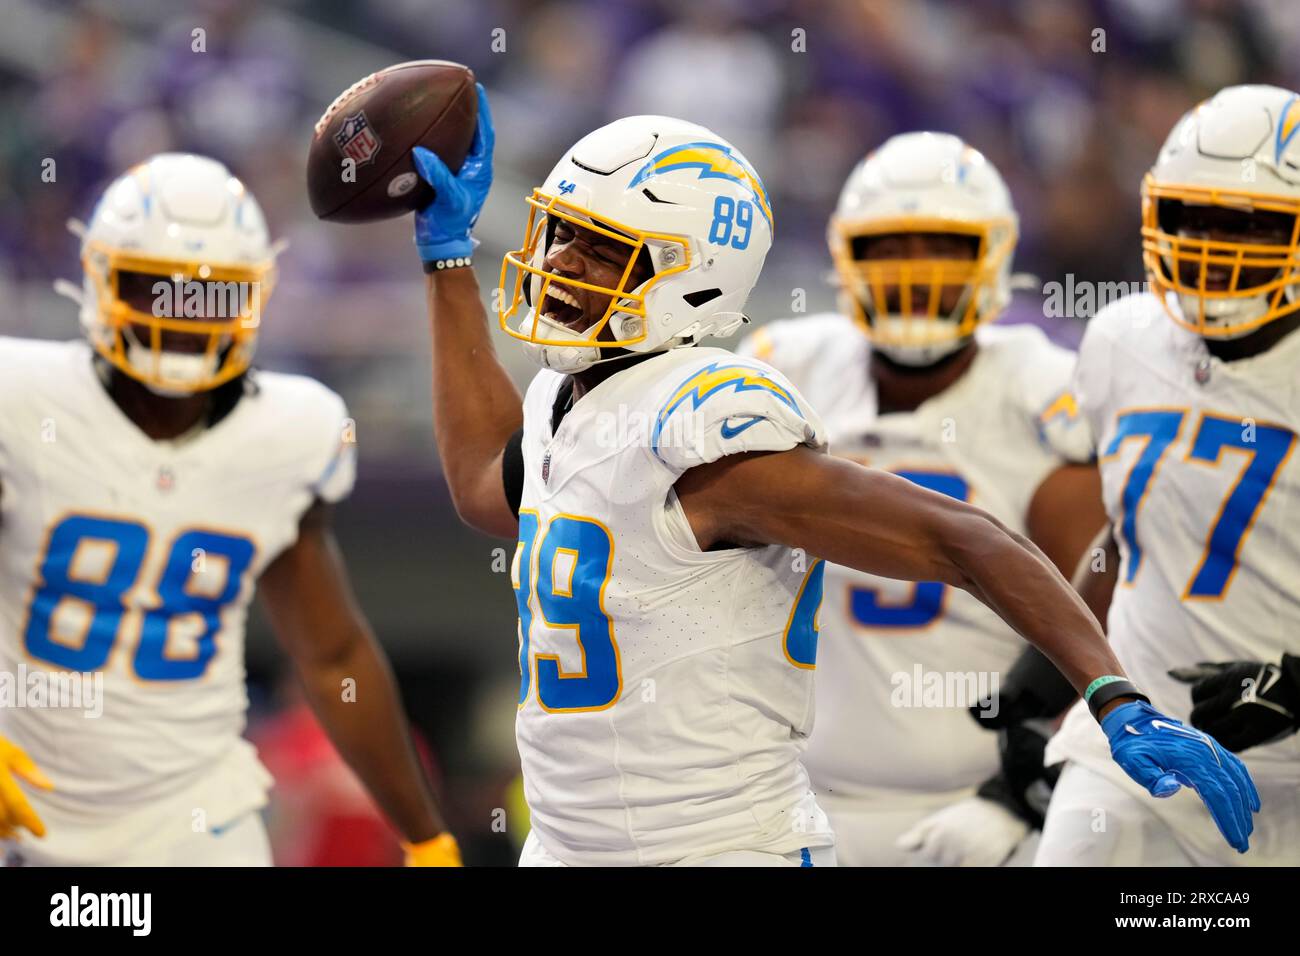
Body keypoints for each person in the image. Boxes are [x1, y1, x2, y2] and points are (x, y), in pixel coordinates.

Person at [405, 86, 1257, 866]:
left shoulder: (704, 423)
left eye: (601, 249)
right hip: (565, 846)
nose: (561, 261)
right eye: (560, 232)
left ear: (691, 280)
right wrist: (447, 258)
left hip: (718, 847)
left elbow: (961, 537)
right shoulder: (571, 394)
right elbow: (486, 481)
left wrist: (1112, 697)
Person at [0, 153, 458, 866]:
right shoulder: (22, 399)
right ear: (99, 277)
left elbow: (331, 651)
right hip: (19, 804)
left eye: (209, 297)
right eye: (157, 290)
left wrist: (425, 835)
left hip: (191, 818)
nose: (180, 319)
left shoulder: (291, 432)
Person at [738, 132, 1105, 866]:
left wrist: (1025, 791)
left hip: (978, 805)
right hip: (792, 800)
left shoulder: (1045, 393)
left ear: (993, 256)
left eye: (940, 245)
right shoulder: (785, 368)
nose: (914, 270)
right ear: (847, 255)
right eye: (890, 246)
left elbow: (1105, 620)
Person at [1029, 84, 1300, 866]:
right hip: (1146, 749)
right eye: (1194, 215)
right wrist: (1048, 681)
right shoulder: (1120, 338)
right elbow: (1134, 528)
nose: (1213, 244)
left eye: (1247, 223)